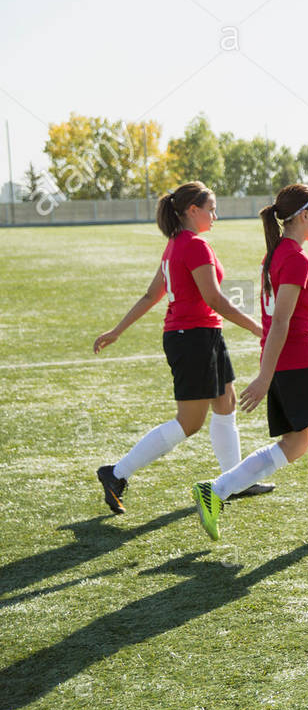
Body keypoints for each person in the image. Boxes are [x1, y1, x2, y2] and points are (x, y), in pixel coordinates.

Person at [191, 183, 308, 541]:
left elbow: (299, 316)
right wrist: (263, 377)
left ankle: (216, 490)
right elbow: (284, 322)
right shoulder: (295, 258)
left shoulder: (276, 255)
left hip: (287, 362)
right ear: (304, 216)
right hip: (301, 361)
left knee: (295, 443)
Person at [94, 182, 271, 513]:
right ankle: (116, 473)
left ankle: (232, 483)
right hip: (192, 339)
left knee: (226, 403)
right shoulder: (193, 246)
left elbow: (152, 295)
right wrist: (257, 328)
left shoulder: (176, 245)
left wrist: (118, 330)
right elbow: (214, 298)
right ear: (193, 210)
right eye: (211, 208)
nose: (215, 215)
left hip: (201, 335)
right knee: (189, 423)